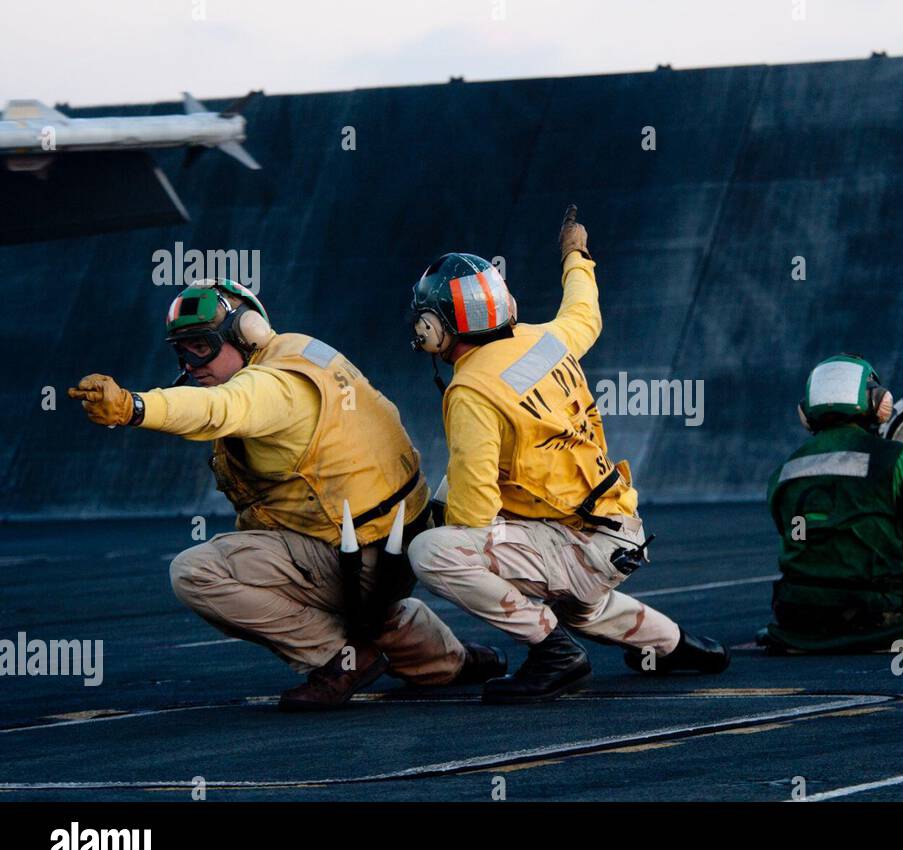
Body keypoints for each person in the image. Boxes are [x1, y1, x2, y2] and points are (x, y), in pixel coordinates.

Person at [68, 278, 505, 710]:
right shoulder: (300, 350)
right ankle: (453, 662)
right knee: (367, 613)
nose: (192, 363)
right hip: (391, 546)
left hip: (356, 555)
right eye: (181, 350)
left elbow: (216, 410)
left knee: (195, 572)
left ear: (246, 332)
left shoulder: (270, 387)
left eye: (201, 346)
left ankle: (340, 660)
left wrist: (134, 407)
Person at [406, 206, 729, 704]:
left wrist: (425, 524)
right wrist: (575, 253)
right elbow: (584, 308)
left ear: (433, 328)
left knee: (433, 551)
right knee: (582, 602)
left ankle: (553, 653)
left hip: (579, 544)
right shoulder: (546, 339)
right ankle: (673, 646)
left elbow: (471, 514)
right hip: (617, 528)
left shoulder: (470, 391)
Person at [760, 354, 903, 653]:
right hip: (879, 610)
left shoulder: (783, 472)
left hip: (797, 614)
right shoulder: (900, 459)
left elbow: (793, 536)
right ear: (879, 403)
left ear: (805, 412)